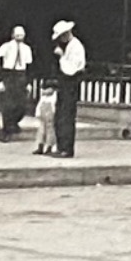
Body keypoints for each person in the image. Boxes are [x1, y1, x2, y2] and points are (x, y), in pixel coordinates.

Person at [49, 19, 87, 158]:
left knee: (66, 115)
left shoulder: (76, 47)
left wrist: (61, 57)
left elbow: (70, 69)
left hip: (70, 83)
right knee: (60, 114)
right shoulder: (70, 46)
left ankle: (66, 148)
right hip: (65, 84)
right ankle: (61, 146)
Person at [0, 25, 34, 139]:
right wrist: (0, 80)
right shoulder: (5, 47)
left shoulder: (27, 48)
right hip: (8, 74)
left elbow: (29, 66)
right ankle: (6, 130)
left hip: (21, 74)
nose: (19, 37)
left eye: (21, 35)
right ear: (12, 35)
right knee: (8, 103)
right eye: (17, 35)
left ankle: (14, 122)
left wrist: (28, 82)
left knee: (21, 104)